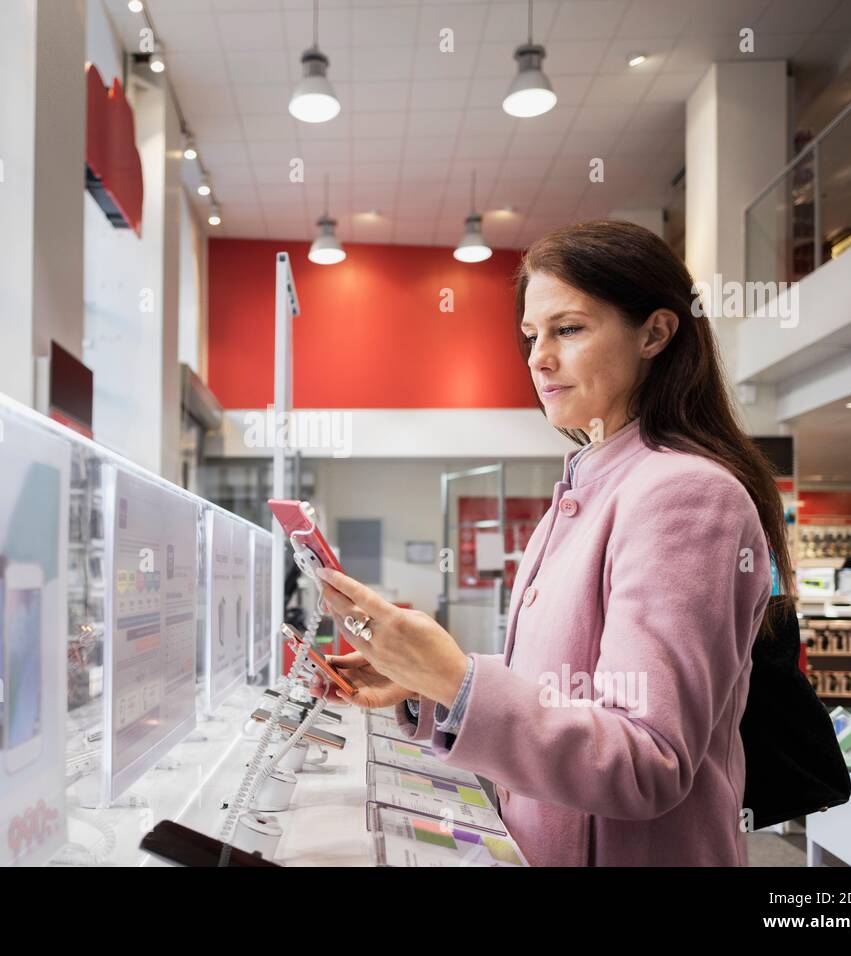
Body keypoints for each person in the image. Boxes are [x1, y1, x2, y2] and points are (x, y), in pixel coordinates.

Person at [309, 220, 792, 866]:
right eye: (532, 335)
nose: (537, 357)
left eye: (568, 329)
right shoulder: (589, 484)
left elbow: (648, 758)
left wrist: (458, 680)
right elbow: (565, 682)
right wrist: (422, 676)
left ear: (655, 332)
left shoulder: (686, 494)